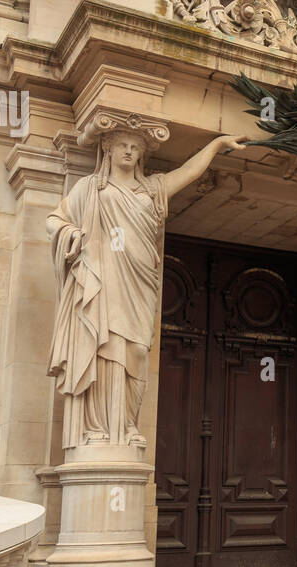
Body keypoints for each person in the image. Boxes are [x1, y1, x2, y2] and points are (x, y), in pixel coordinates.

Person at [47, 126, 246, 449]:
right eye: (122, 145)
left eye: (134, 147)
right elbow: (54, 220)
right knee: (104, 346)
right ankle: (96, 427)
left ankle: (126, 425)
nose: (128, 151)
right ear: (108, 150)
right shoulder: (90, 188)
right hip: (103, 273)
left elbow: (189, 172)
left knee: (137, 351)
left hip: (139, 279)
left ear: (141, 154)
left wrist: (217, 144)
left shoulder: (153, 189)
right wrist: (72, 235)